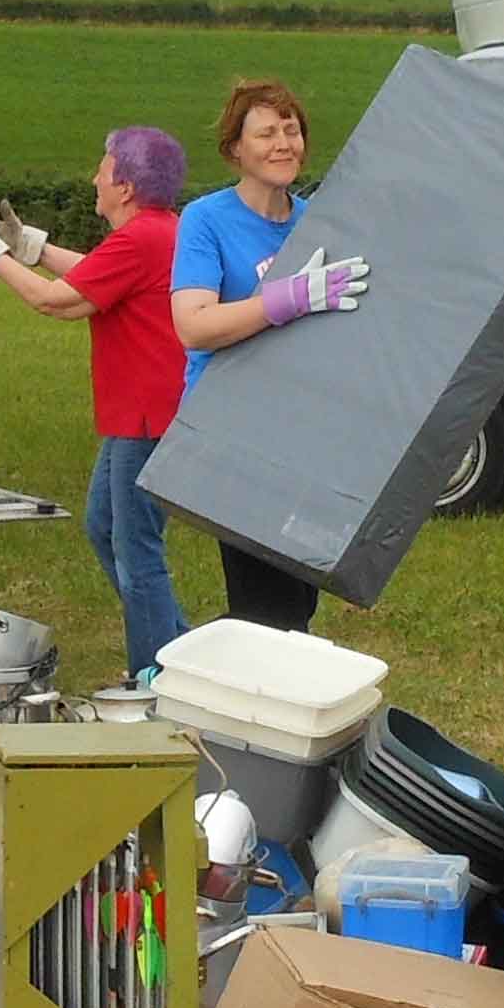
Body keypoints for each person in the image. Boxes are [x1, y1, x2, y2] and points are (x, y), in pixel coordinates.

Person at [0, 128, 194, 675]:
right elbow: (98, 273)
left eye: (103, 168)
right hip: (142, 414)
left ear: (126, 186)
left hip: (148, 417)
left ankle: (157, 677)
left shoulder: (141, 239)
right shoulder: (155, 233)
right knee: (104, 525)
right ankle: (179, 645)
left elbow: (56, 302)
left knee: (136, 554)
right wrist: (31, 248)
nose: (94, 178)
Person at [162, 77, 368, 632]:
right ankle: (247, 707)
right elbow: (194, 325)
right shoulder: (207, 220)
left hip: (301, 431)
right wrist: (287, 298)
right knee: (262, 606)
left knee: (300, 601)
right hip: (233, 434)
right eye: (266, 133)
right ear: (235, 149)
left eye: (291, 130)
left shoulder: (315, 222)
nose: (284, 143)